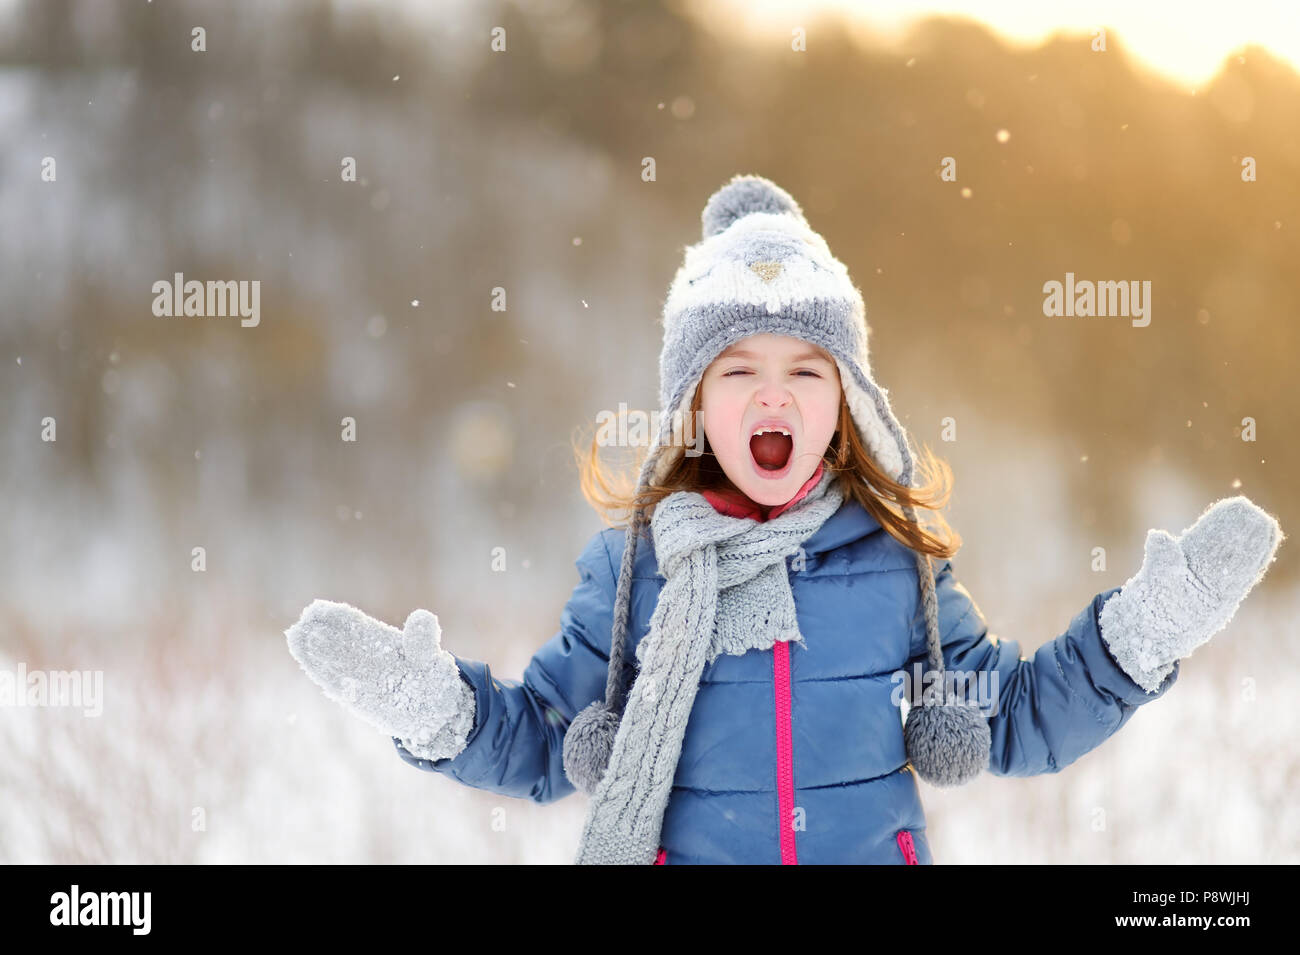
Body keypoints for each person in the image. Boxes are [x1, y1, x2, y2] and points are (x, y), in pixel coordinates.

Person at [285, 175, 1284, 864]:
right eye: (739, 371)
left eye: (807, 370)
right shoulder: (634, 572)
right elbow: (549, 738)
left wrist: (1141, 633)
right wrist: (431, 707)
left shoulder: (897, 570)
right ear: (694, 405)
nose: (775, 396)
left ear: (845, 402)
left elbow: (1011, 716)